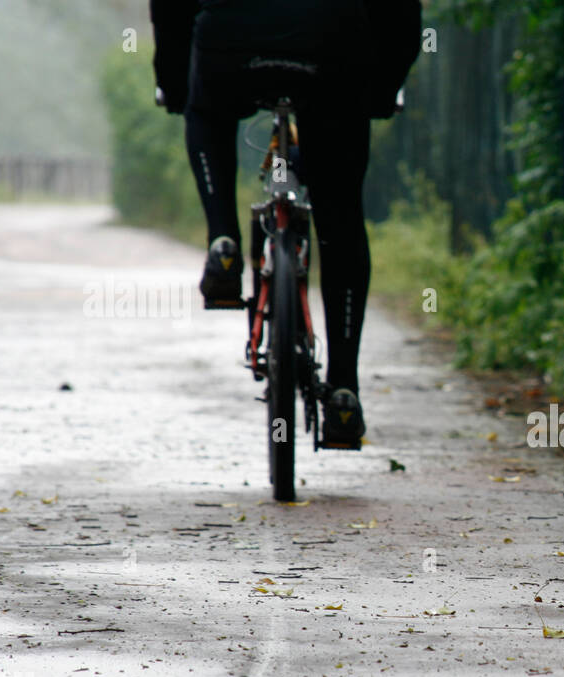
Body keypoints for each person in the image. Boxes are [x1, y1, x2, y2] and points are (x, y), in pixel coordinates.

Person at [149, 0, 421, 446]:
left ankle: (224, 243)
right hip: (331, 46)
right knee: (341, 216)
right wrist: (381, 87)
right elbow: (401, 12)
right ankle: (343, 391)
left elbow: (170, 5)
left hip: (231, 44)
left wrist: (175, 83)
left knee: (206, 112)